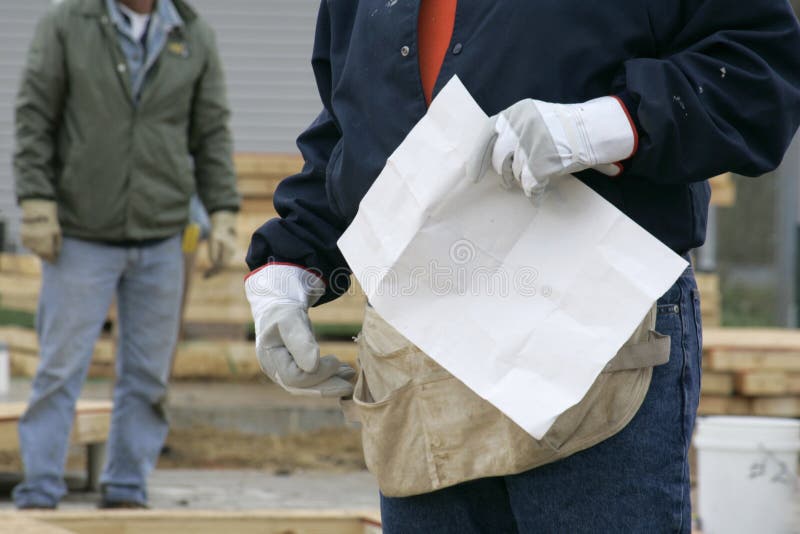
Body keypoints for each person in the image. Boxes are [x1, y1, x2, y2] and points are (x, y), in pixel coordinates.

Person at [245, 1, 800, 532]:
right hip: (418, 354)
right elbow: (353, 128)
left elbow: (758, 66)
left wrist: (605, 125)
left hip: (589, 338)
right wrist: (289, 265)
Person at [14, 0, 239, 509]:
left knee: (149, 378)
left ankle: (126, 492)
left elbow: (212, 132)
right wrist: (36, 202)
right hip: (78, 233)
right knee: (58, 370)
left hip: (162, 235)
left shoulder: (192, 34)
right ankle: (40, 492)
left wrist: (223, 211)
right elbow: (34, 118)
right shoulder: (67, 24)